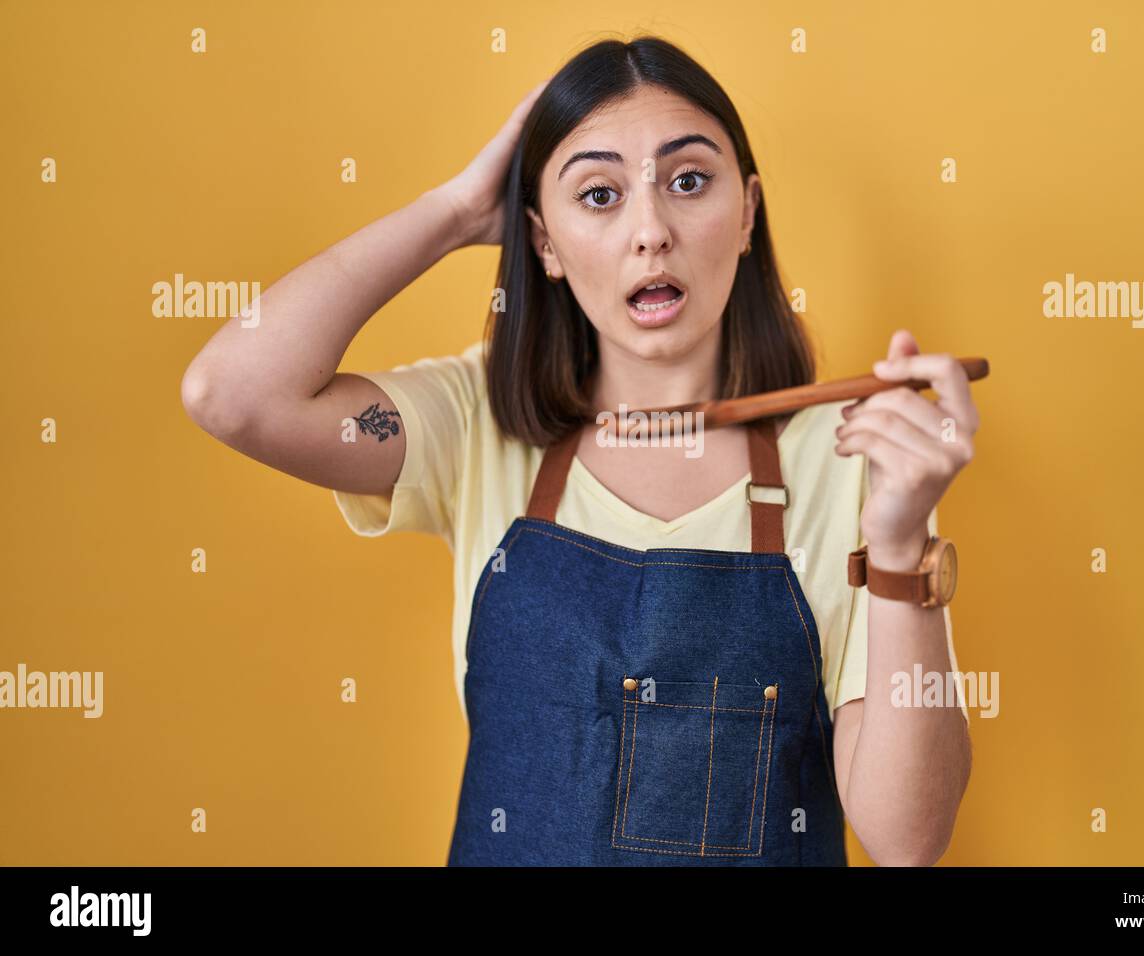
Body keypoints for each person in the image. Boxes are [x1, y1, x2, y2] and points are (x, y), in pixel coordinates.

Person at [182, 35, 978, 866]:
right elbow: (229, 394)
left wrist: (897, 550)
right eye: (598, 195)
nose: (650, 230)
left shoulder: (854, 458)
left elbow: (907, 841)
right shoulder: (477, 422)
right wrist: (456, 212)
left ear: (746, 213)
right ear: (544, 244)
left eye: (690, 182)